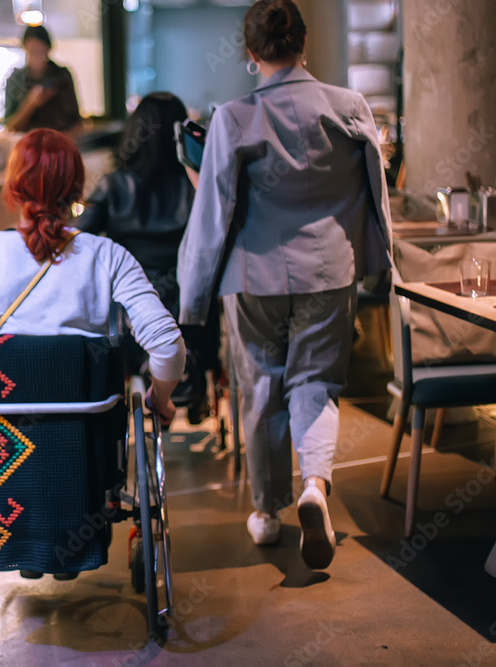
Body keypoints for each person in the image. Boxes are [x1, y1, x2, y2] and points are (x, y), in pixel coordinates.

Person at [177, 0, 393, 569]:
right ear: (305, 44)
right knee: (316, 383)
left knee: (262, 388)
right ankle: (315, 486)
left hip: (255, 277)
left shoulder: (233, 118)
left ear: (252, 55)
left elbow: (213, 213)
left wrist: (193, 298)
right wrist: (382, 261)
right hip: (330, 270)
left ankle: (268, 514)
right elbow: (377, 188)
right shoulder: (349, 108)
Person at [0, 128, 184, 430]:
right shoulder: (108, 257)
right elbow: (168, 348)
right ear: (78, 186)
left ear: (12, 187)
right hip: (91, 446)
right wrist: (159, 400)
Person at [75, 92, 220, 423]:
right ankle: (196, 387)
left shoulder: (114, 187)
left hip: (132, 313)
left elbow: (79, 241)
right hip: (192, 309)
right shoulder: (196, 186)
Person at [4, 25, 82, 135]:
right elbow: (10, 127)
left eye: (41, 51)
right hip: (28, 145)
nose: (37, 56)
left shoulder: (61, 76)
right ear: (25, 48)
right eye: (32, 51)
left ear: (48, 49)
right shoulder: (16, 80)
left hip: (59, 141)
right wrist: (30, 103)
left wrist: (66, 139)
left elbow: (77, 122)